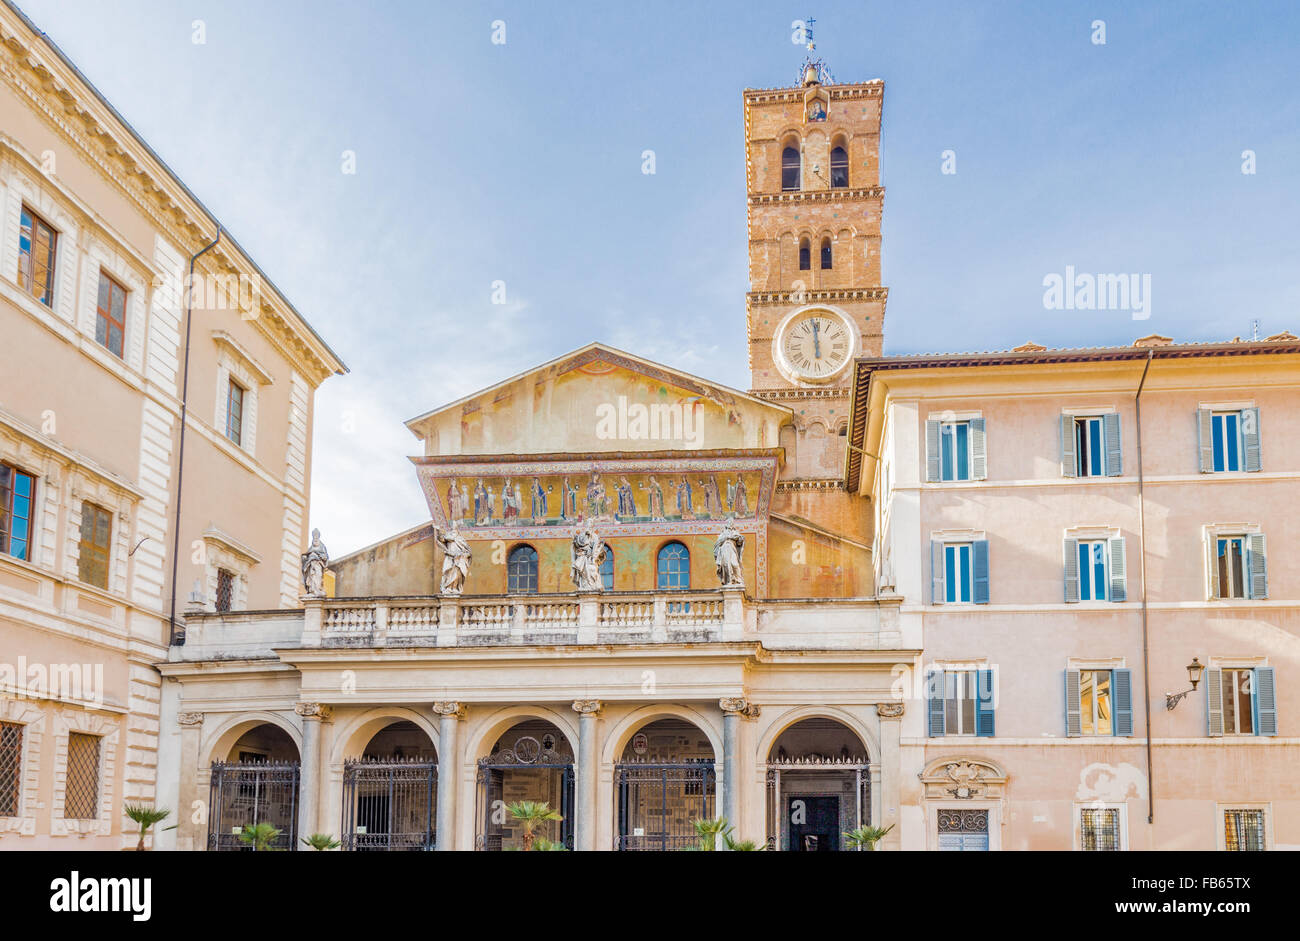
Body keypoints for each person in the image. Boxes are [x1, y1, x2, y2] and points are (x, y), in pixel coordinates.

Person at [434, 525, 472, 595]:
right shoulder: (448, 540)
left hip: (460, 560)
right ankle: (448, 588)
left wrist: (462, 555)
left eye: (454, 532)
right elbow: (441, 539)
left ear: (458, 533)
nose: (453, 533)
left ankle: (455, 588)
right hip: (450, 559)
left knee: (458, 574)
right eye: (452, 532)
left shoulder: (461, 540)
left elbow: (468, 552)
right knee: (449, 573)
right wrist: (438, 532)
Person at [713, 517, 744, 588]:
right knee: (726, 564)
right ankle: (729, 581)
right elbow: (718, 544)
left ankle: (738, 580)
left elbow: (739, 543)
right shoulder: (722, 534)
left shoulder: (735, 533)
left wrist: (739, 539)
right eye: (729, 522)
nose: (730, 523)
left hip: (732, 548)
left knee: (735, 564)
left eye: (731, 522)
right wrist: (727, 537)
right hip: (724, 548)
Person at [300, 529, 329, 595]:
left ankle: (317, 589)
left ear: (318, 536)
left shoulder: (322, 546)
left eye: (316, 535)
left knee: (318, 575)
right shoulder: (311, 548)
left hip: (318, 564)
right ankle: (312, 590)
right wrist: (305, 558)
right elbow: (307, 556)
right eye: (314, 536)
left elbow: (325, 556)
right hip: (311, 565)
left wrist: (320, 556)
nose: (315, 537)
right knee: (312, 577)